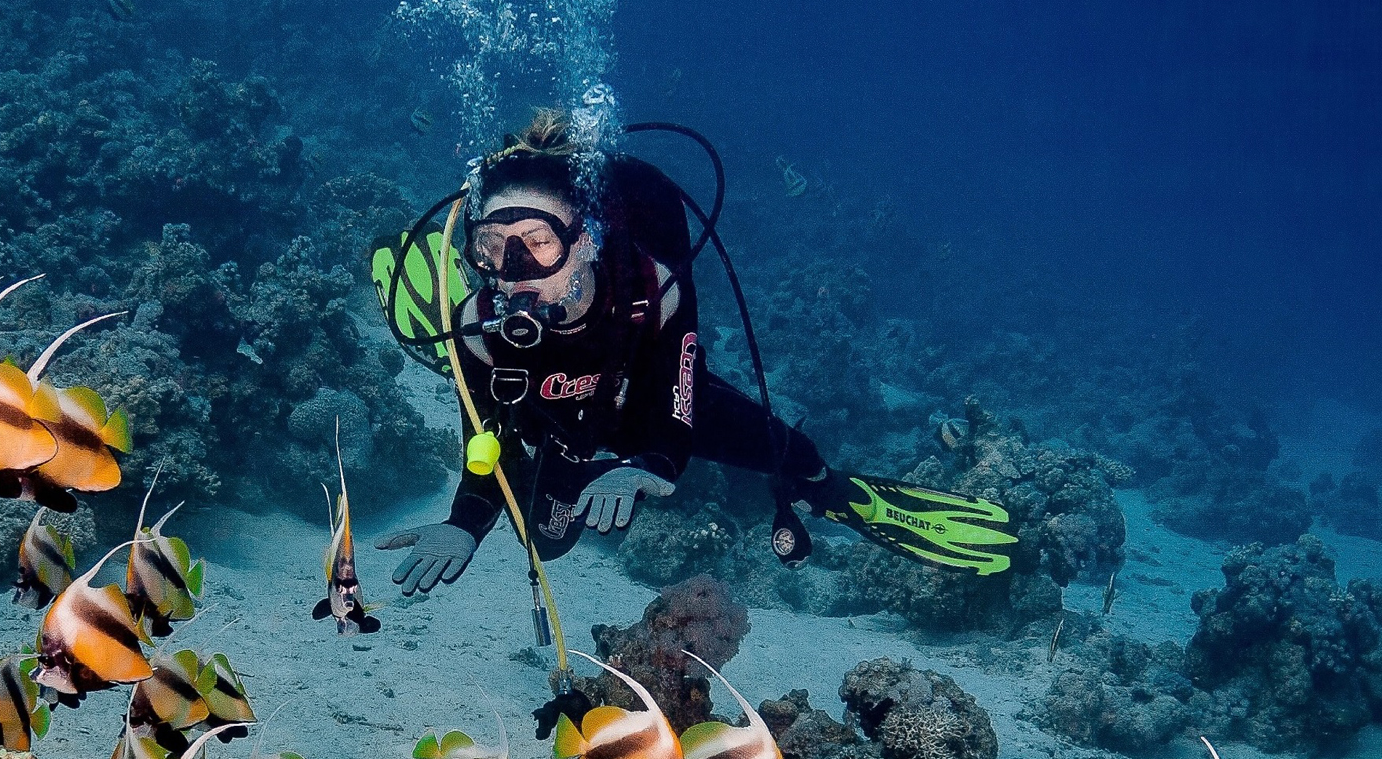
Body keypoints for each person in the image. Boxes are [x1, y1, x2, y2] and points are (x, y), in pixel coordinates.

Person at [375, 110, 1013, 597]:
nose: (513, 271)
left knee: (792, 452)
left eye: (538, 243)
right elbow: (485, 442)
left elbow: (679, 396)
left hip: (647, 402)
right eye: (492, 246)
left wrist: (653, 460)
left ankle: (832, 491)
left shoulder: (653, 290)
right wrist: (465, 520)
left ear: (587, 241)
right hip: (554, 426)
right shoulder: (481, 329)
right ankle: (578, 471)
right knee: (542, 540)